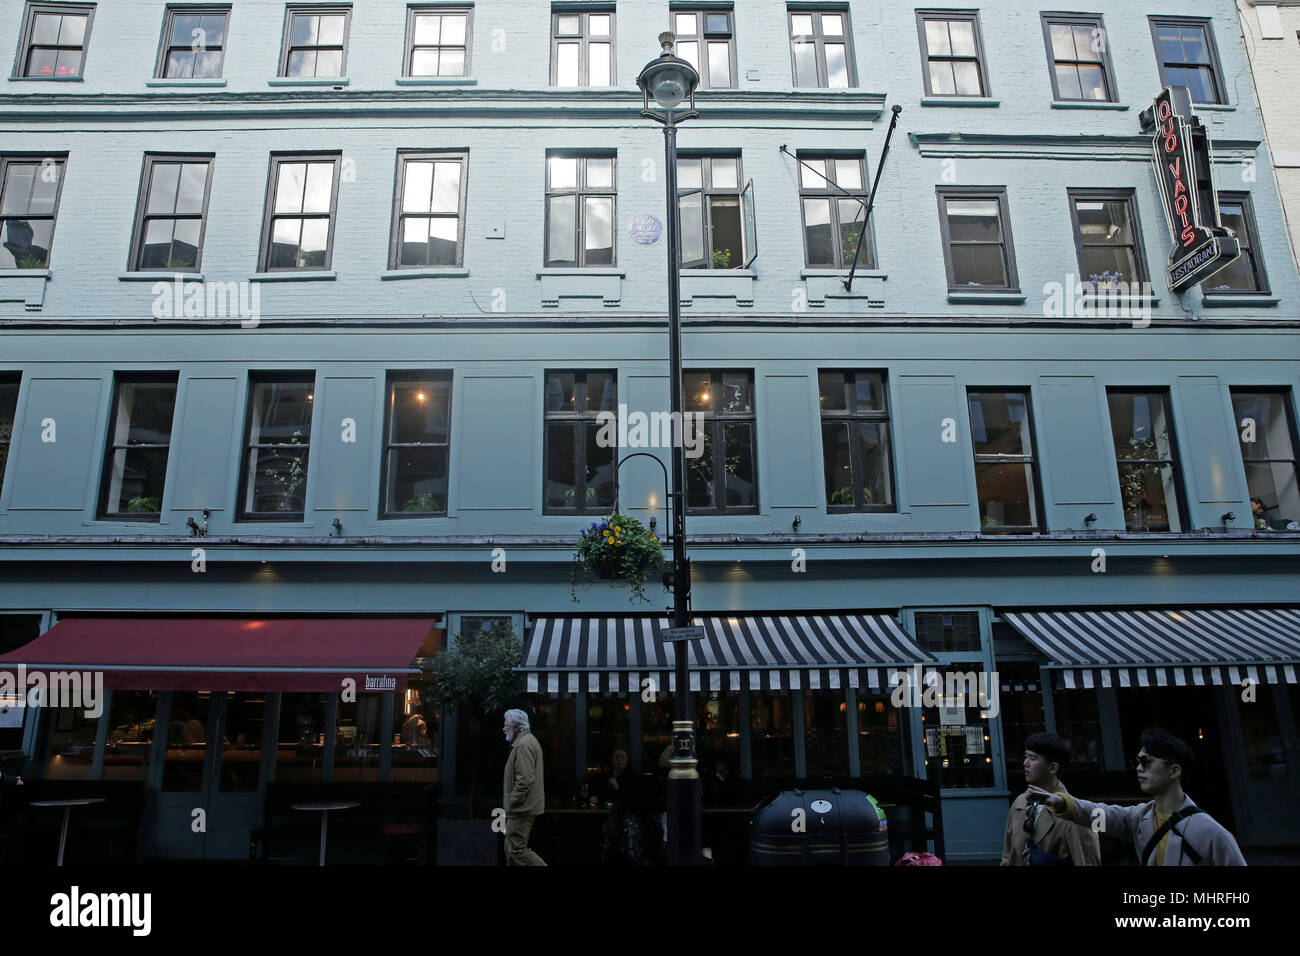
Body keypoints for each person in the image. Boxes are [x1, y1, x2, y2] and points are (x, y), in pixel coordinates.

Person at [1027, 727, 1246, 866]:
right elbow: (1103, 816)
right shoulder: (1140, 817)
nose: (1139, 769)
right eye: (1137, 762)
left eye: (1147, 762)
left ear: (1174, 771)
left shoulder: (1212, 833)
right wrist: (1059, 801)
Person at [1001, 733, 1099, 866]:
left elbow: (1087, 862)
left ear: (1053, 768)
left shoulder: (1076, 815)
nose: (1025, 763)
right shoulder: (1020, 803)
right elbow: (1008, 856)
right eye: (1025, 757)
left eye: (1032, 758)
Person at [591, 747, 654, 865]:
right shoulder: (604, 776)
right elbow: (597, 794)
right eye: (616, 757)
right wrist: (594, 798)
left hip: (626, 818)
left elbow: (636, 801)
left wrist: (618, 788)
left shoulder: (633, 778)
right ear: (611, 759)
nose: (619, 760)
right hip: (604, 816)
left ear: (627, 760)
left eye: (623, 757)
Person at [501, 708, 546, 866]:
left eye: (506, 725)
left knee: (516, 850)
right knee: (512, 850)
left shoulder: (523, 745)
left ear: (516, 726)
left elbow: (525, 780)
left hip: (522, 808)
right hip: (523, 807)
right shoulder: (527, 742)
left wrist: (512, 802)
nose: (504, 728)